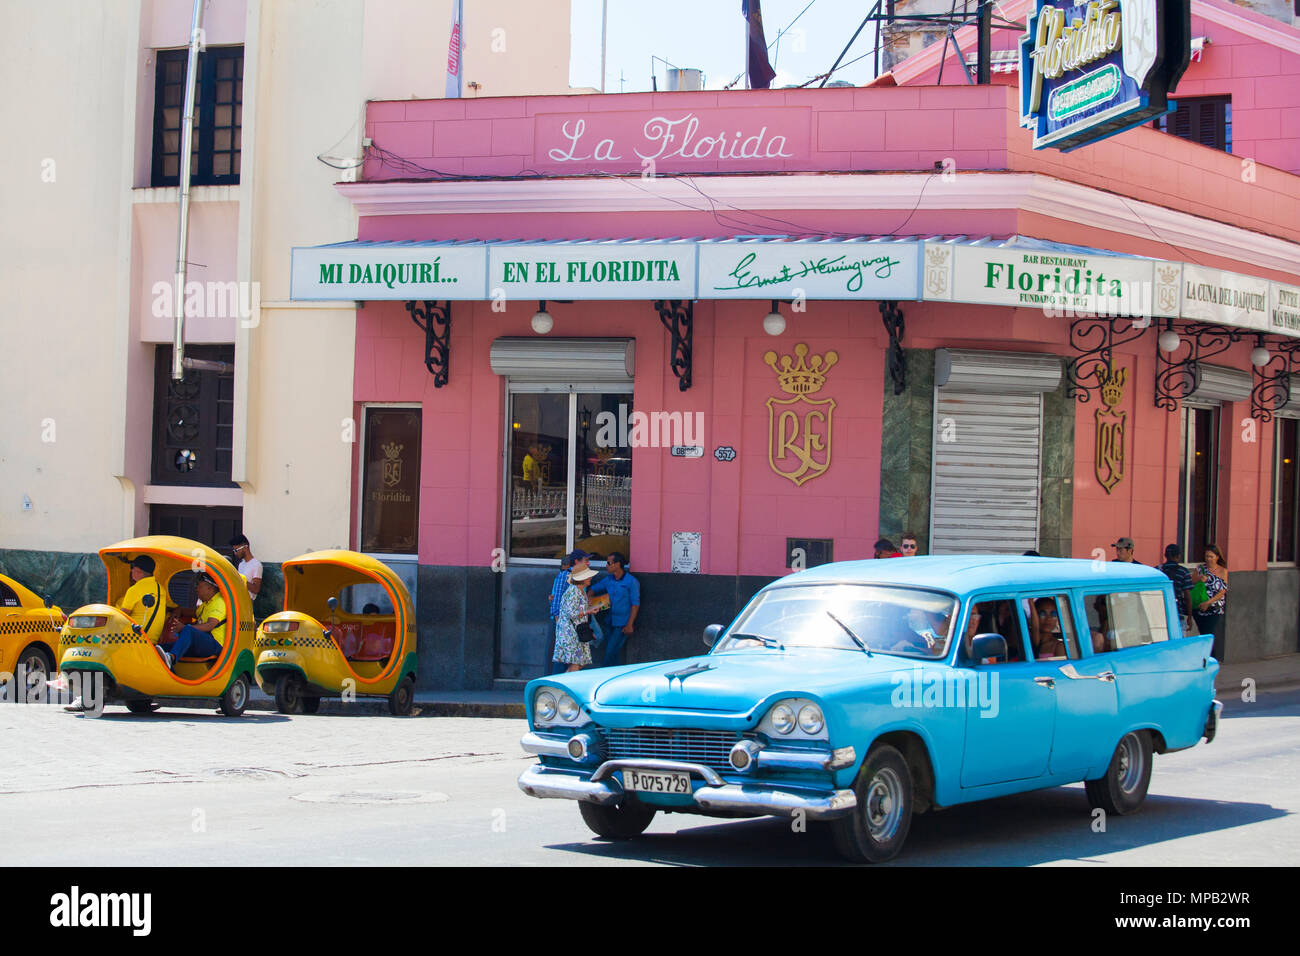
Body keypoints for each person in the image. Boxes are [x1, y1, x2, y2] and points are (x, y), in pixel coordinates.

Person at [165, 572, 226, 669]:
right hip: (202, 643)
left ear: (210, 588)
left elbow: (210, 625)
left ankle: (172, 657)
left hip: (215, 645)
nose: (197, 589)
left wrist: (184, 628)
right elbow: (194, 613)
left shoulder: (219, 602)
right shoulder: (207, 603)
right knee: (164, 648)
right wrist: (179, 609)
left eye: (199, 586)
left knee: (189, 629)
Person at [589, 551, 640, 667]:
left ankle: (602, 676)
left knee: (609, 653)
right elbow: (593, 589)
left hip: (622, 624)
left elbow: (635, 604)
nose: (606, 566)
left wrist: (630, 624)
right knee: (613, 653)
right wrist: (589, 597)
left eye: (608, 563)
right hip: (609, 622)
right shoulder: (609, 579)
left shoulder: (631, 582)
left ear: (617, 564)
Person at [545, 550, 589, 675]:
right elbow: (557, 598)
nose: (589, 563)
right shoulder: (565, 576)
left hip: (577, 622)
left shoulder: (581, 577)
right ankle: (554, 684)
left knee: (576, 658)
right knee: (563, 658)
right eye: (586, 560)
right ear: (577, 562)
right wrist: (558, 620)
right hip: (565, 623)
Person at [554, 566, 599, 672]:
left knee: (580, 662)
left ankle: (563, 684)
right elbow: (571, 613)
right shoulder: (573, 592)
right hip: (570, 632)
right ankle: (566, 686)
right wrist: (588, 611)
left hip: (576, 631)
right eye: (588, 576)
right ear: (582, 579)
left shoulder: (580, 591)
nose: (590, 578)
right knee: (576, 663)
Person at [118, 555, 166, 646]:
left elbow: (121, 618)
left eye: (133, 568)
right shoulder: (161, 589)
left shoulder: (135, 589)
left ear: (138, 571)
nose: (131, 571)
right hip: (153, 642)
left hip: (136, 640)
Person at [1191, 545, 1228, 661]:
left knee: (1209, 632)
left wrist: (1208, 602)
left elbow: (1222, 591)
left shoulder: (1222, 571)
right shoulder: (1200, 568)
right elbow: (1191, 582)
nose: (1208, 559)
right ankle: (1205, 658)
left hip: (1214, 608)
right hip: (1199, 608)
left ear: (1217, 557)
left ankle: (1211, 658)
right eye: (1207, 556)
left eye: (1211, 556)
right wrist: (1199, 578)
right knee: (1203, 632)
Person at [1157, 544, 1194, 631]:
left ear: (1165, 556)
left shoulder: (1157, 570)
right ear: (1178, 556)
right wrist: (1189, 616)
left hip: (1160, 613)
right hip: (1177, 612)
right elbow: (1187, 597)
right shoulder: (1184, 572)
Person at [230, 534, 263, 600]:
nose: (235, 553)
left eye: (236, 550)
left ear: (245, 547)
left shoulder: (256, 565)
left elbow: (256, 589)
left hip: (248, 601)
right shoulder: (241, 564)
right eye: (234, 551)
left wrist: (241, 580)